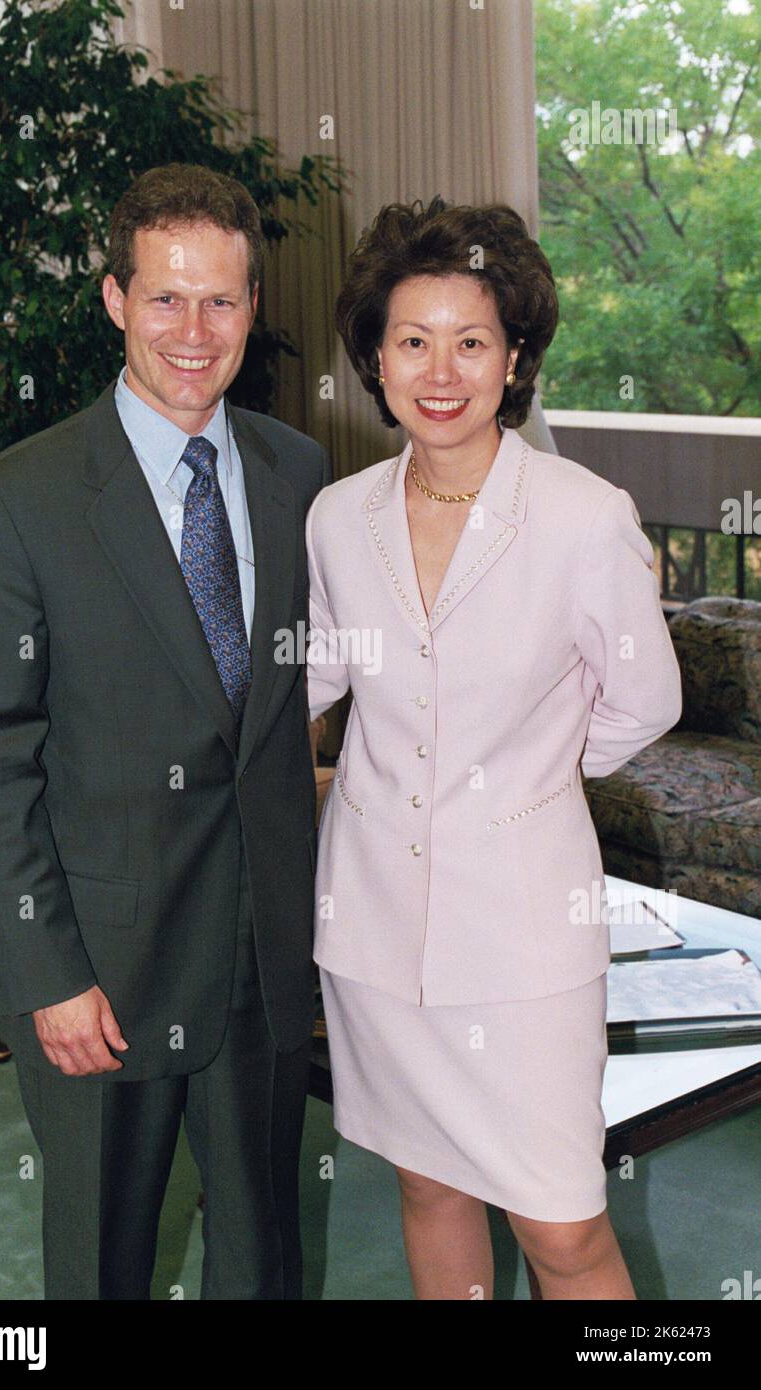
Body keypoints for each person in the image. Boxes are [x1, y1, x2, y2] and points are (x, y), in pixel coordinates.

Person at [0, 163, 330, 1300]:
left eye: (220, 299)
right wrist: (42, 974)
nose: (193, 330)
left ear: (253, 306)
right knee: (104, 1262)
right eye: (165, 297)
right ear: (114, 300)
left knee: (263, 1259)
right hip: (100, 970)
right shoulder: (16, 499)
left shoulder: (298, 473)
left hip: (261, 955)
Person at [306, 197, 683, 1300]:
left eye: (469, 341)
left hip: (522, 940)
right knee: (427, 1191)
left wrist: (524, 781)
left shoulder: (578, 514)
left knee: (562, 1231)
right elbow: (320, 676)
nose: (438, 369)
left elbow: (642, 697)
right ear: (374, 358)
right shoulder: (338, 516)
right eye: (410, 339)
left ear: (512, 357)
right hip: (372, 927)